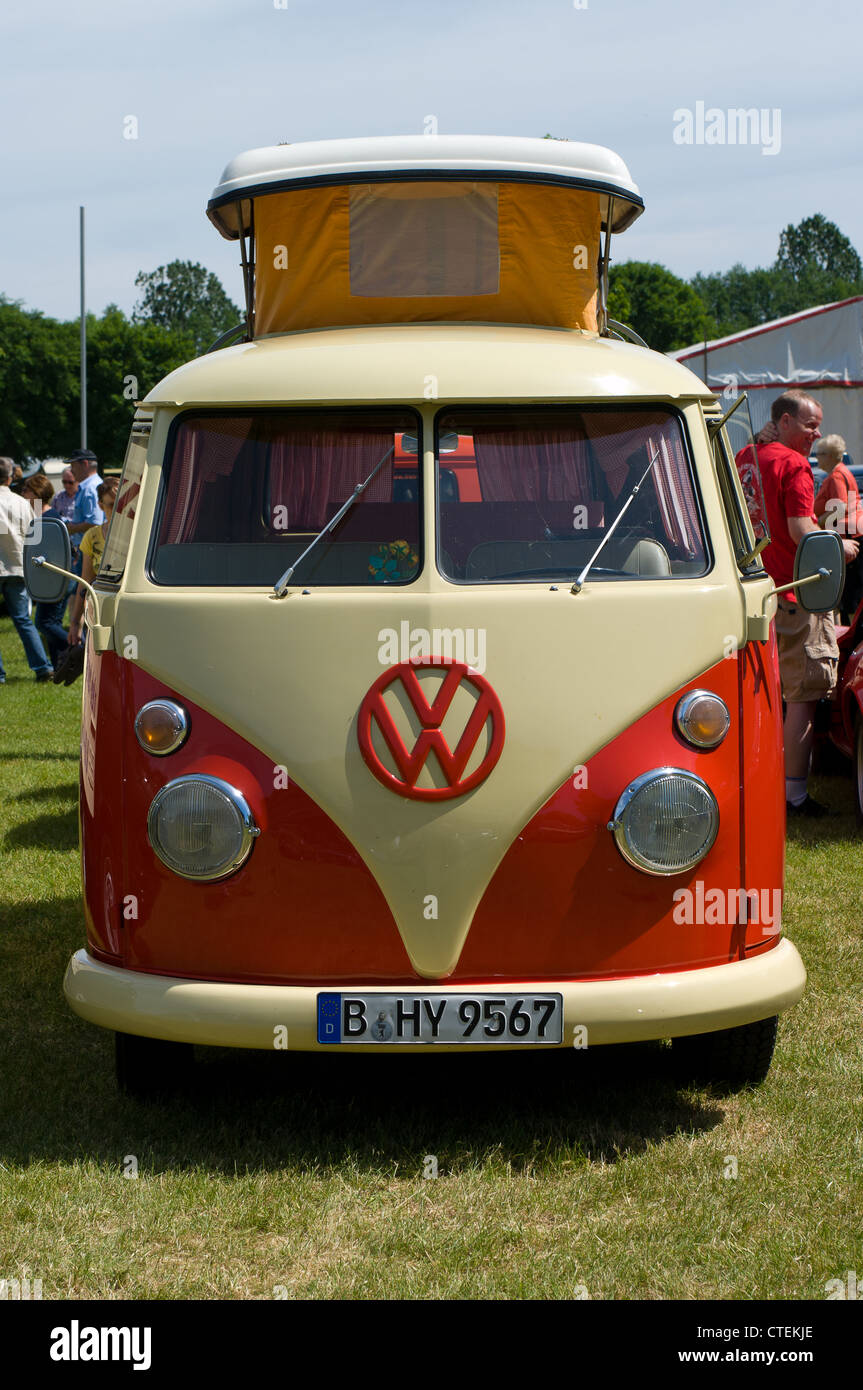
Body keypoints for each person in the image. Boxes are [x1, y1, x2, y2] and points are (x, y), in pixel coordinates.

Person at [736, 391, 858, 817]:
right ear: (784, 421)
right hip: (797, 591)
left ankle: (759, 783)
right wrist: (837, 545)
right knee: (803, 697)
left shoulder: (744, 457)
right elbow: (800, 527)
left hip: (753, 590)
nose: (816, 433)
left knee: (761, 696)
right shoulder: (793, 466)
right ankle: (793, 797)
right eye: (809, 425)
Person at [56, 479, 118, 684]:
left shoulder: (139, 534)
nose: (117, 509)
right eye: (110, 504)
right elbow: (85, 582)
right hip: (101, 612)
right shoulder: (92, 537)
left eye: (121, 503)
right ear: (100, 505)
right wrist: (75, 623)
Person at [0, 457, 53, 684]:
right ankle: (42, 667)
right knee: (23, 620)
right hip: (18, 566)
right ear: (11, 477)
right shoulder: (23, 503)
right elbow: (37, 537)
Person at [20, 474, 70, 670]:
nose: (23, 493)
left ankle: (78, 647)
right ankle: (60, 666)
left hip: (54, 579)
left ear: (37, 493)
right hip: (55, 579)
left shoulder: (46, 520)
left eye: (26, 490)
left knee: (43, 622)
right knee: (52, 621)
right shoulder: (47, 518)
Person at [813, 434, 863, 619]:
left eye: (820, 453)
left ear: (830, 455)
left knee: (850, 597)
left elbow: (840, 508)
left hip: (848, 536)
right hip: (854, 532)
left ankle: (850, 638)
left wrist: (815, 523)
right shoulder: (842, 471)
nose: (816, 457)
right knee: (853, 594)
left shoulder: (835, 476)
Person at [64, 448, 104, 559]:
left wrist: (72, 528)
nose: (71, 470)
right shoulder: (92, 486)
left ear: (85, 464)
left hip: (88, 550)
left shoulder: (89, 489)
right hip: (90, 549)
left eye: (73, 466)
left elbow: (94, 522)